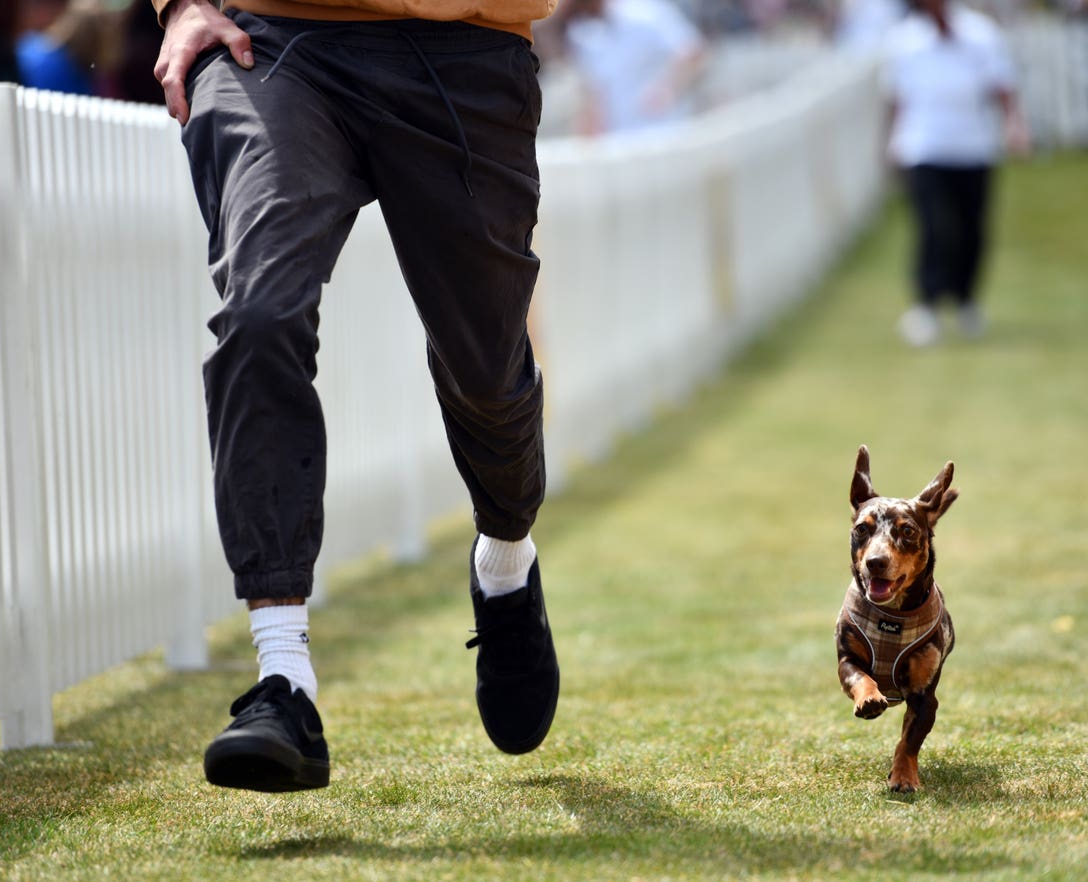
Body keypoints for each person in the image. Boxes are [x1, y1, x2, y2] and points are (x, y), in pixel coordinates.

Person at [152, 0, 560, 792]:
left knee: (485, 368)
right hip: (274, 38)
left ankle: (506, 557)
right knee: (259, 314)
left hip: (468, 49)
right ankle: (283, 681)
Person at [881, 0, 1028, 347]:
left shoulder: (980, 33)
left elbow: (1002, 84)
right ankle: (926, 304)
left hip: (972, 146)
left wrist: (1015, 125)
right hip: (923, 146)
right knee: (932, 226)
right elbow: (894, 97)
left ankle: (966, 299)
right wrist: (889, 144)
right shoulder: (904, 40)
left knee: (971, 227)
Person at [558, 0, 705, 136]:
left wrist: (668, 88)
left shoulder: (645, 13)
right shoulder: (583, 35)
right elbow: (595, 92)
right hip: (622, 141)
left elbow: (692, 51)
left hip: (666, 133)